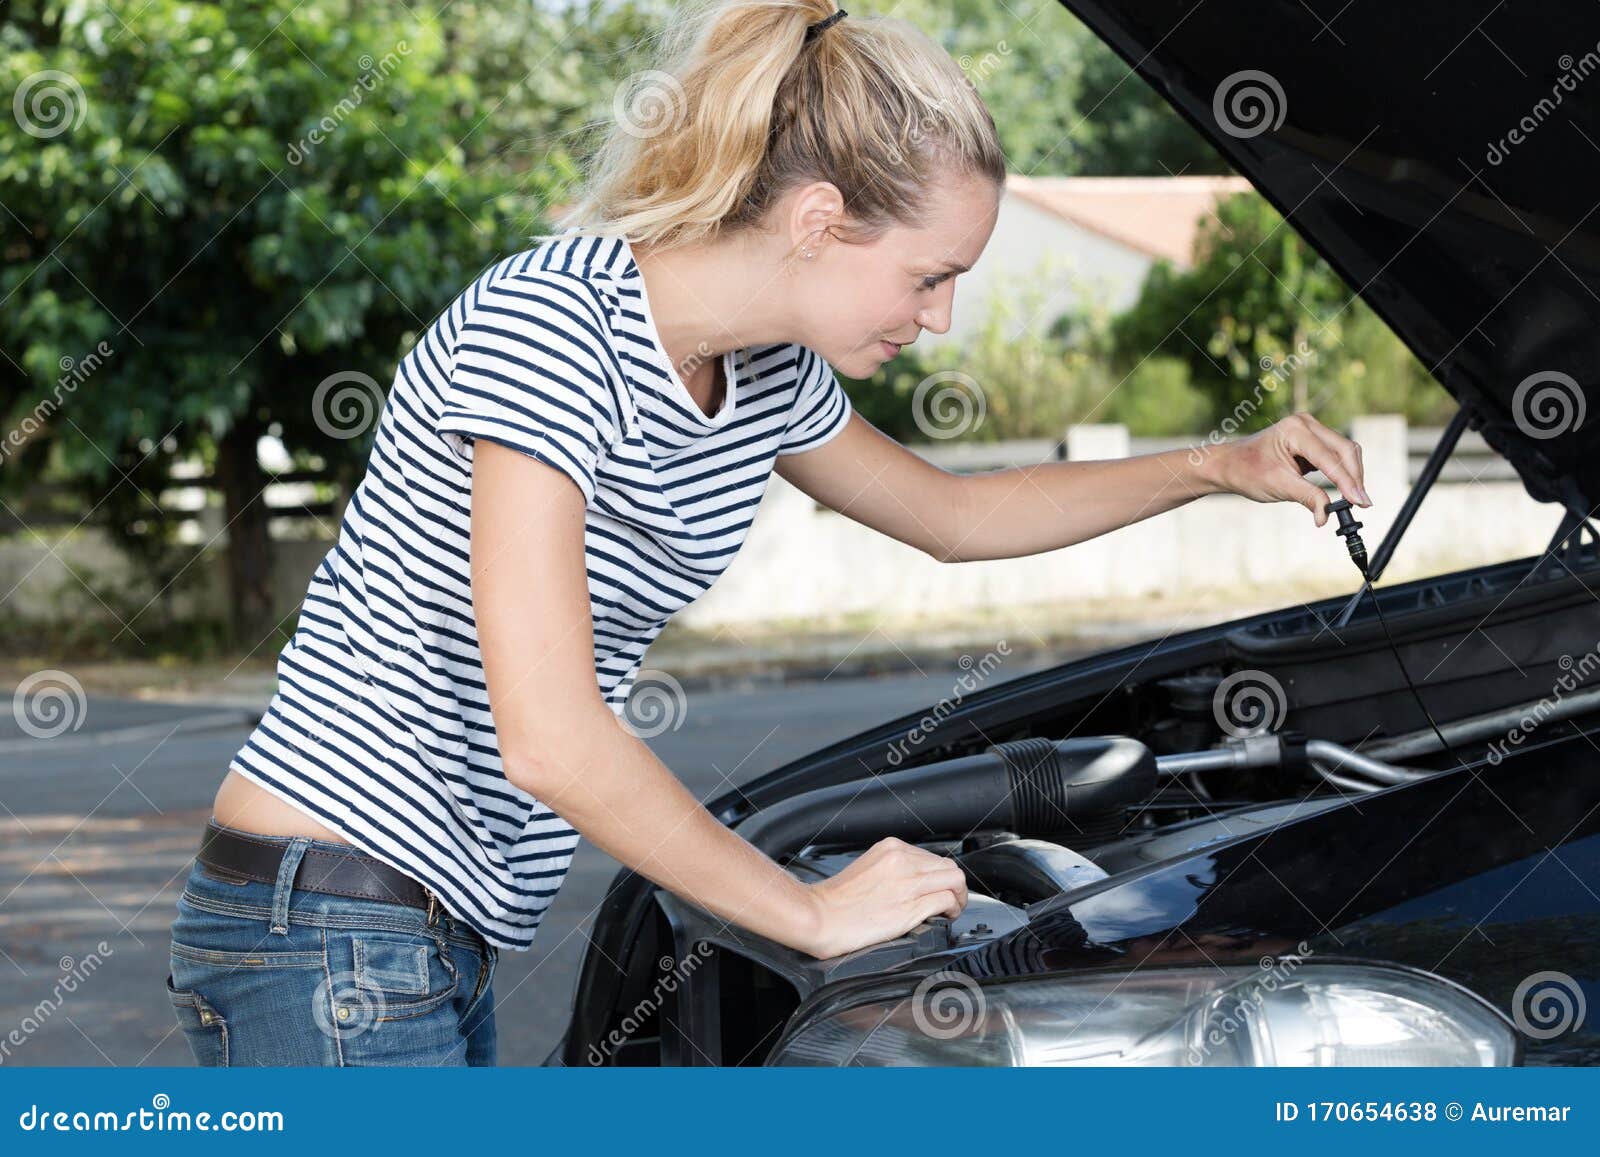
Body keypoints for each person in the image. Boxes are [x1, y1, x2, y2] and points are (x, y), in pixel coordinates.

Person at [165, 0, 1372, 1067]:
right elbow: (549, 735)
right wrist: (808, 909)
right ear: (816, 219)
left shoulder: (764, 375)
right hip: (320, 921)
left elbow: (951, 516)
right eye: (928, 274)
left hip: (421, 932)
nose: (940, 318)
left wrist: (1222, 463)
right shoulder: (552, 328)